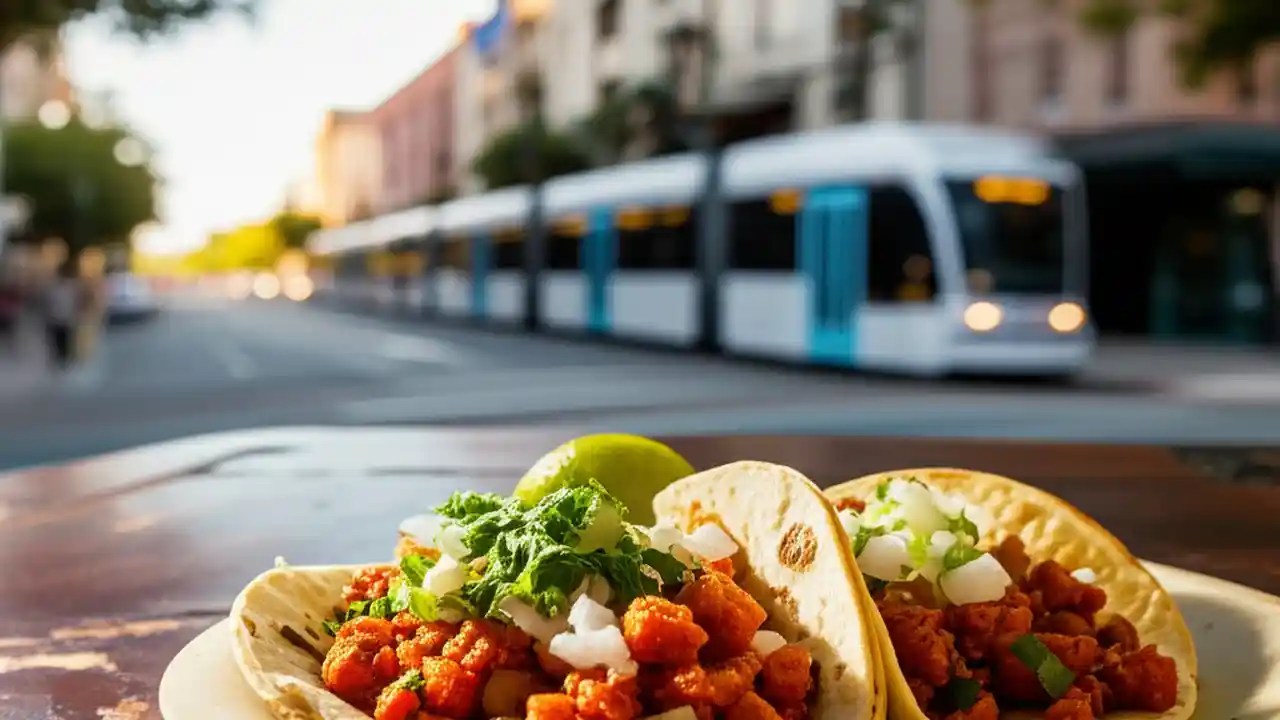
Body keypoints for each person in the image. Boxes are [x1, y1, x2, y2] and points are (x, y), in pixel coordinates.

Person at [43, 263, 83, 368]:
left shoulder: (70, 287)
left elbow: (76, 302)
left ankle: (64, 358)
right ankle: (59, 358)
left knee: (65, 340)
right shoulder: (54, 287)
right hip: (57, 318)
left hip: (65, 318)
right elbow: (47, 302)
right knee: (57, 340)